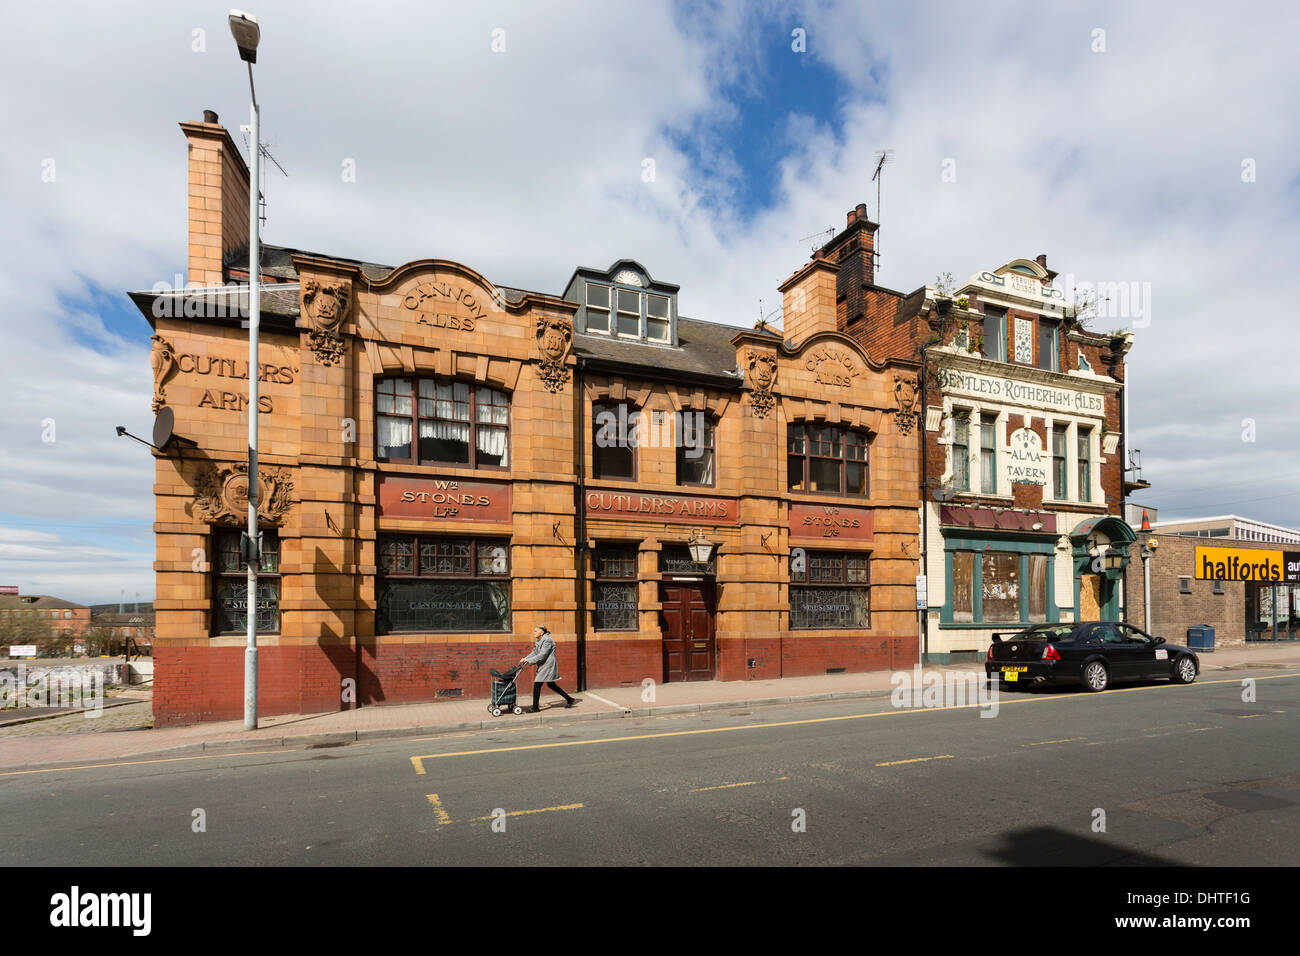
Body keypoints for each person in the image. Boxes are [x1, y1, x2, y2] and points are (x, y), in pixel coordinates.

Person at [520, 625, 579, 712]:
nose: (534, 633)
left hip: (548, 665)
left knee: (537, 684)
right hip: (544, 664)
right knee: (551, 685)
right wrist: (526, 658)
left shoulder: (547, 640)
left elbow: (542, 655)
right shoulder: (539, 639)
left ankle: (535, 707)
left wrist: (528, 661)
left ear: (542, 632)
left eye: (536, 631)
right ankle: (569, 699)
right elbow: (535, 652)